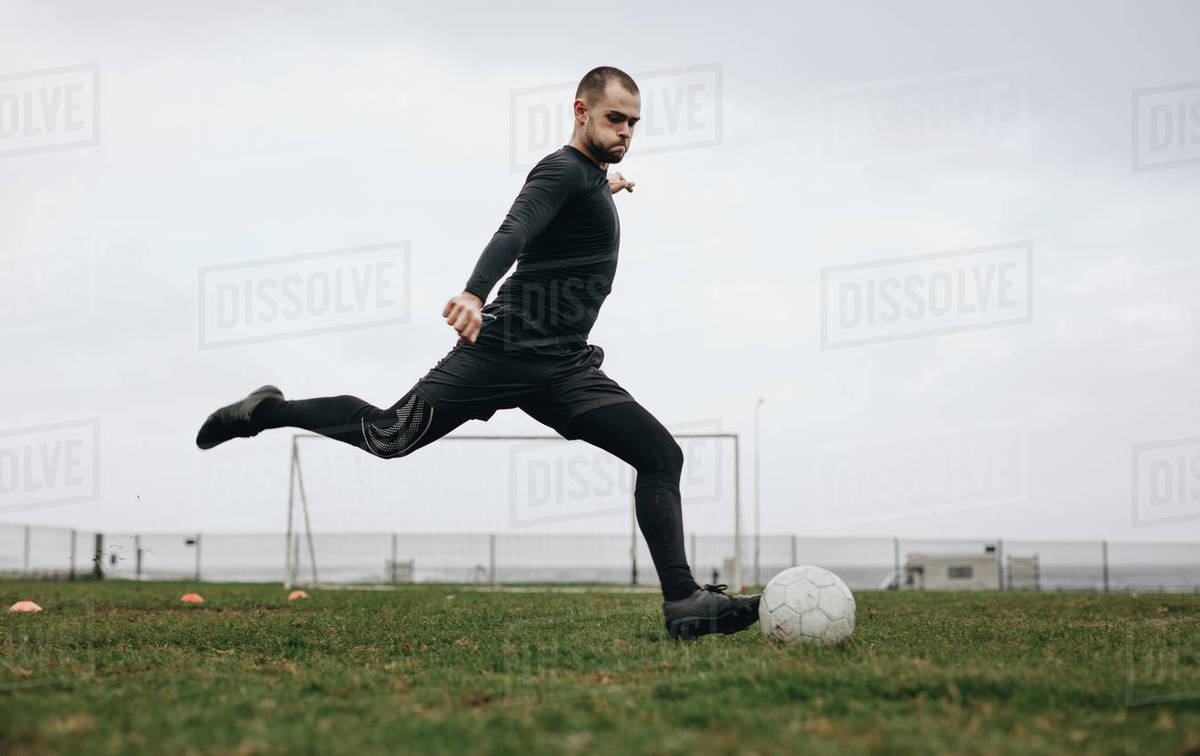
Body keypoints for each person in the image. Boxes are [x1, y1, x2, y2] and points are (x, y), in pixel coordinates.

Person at [195, 66, 759, 640]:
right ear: (580, 112)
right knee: (389, 436)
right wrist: (473, 292)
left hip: (564, 367)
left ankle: (683, 602)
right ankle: (266, 412)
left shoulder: (587, 180)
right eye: (615, 119)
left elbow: (561, 221)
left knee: (660, 455)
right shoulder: (561, 171)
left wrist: (601, 192)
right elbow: (514, 230)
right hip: (503, 352)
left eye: (634, 124)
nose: (626, 134)